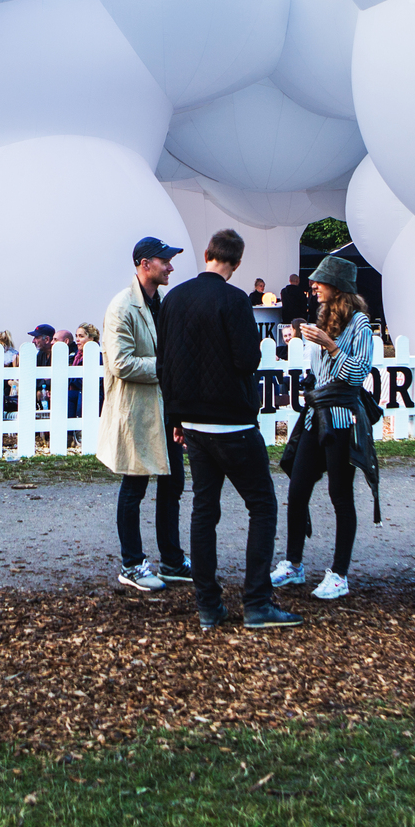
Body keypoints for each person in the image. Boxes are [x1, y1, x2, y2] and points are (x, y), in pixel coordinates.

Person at [160, 228, 300, 630]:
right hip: (233, 421)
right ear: (236, 264)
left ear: (206, 254)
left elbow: (165, 363)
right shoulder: (235, 300)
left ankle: (208, 604)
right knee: (262, 504)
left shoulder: (175, 299)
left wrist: (175, 420)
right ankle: (257, 602)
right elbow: (246, 359)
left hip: (193, 423)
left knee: (204, 509)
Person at [273, 255, 375, 600]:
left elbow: (357, 375)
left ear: (338, 287)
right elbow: (321, 373)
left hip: (343, 419)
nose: (313, 285)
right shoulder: (323, 318)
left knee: (340, 495)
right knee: (297, 488)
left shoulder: (360, 324)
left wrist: (330, 346)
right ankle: (293, 564)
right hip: (317, 417)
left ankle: (339, 574)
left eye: (320, 281)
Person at [101, 236, 188, 593]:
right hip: (136, 411)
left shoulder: (161, 304)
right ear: (144, 263)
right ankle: (132, 564)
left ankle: (171, 559)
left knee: (172, 483)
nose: (170, 266)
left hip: (163, 410)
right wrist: (167, 367)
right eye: (164, 261)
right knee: (134, 485)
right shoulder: (122, 307)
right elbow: (121, 364)